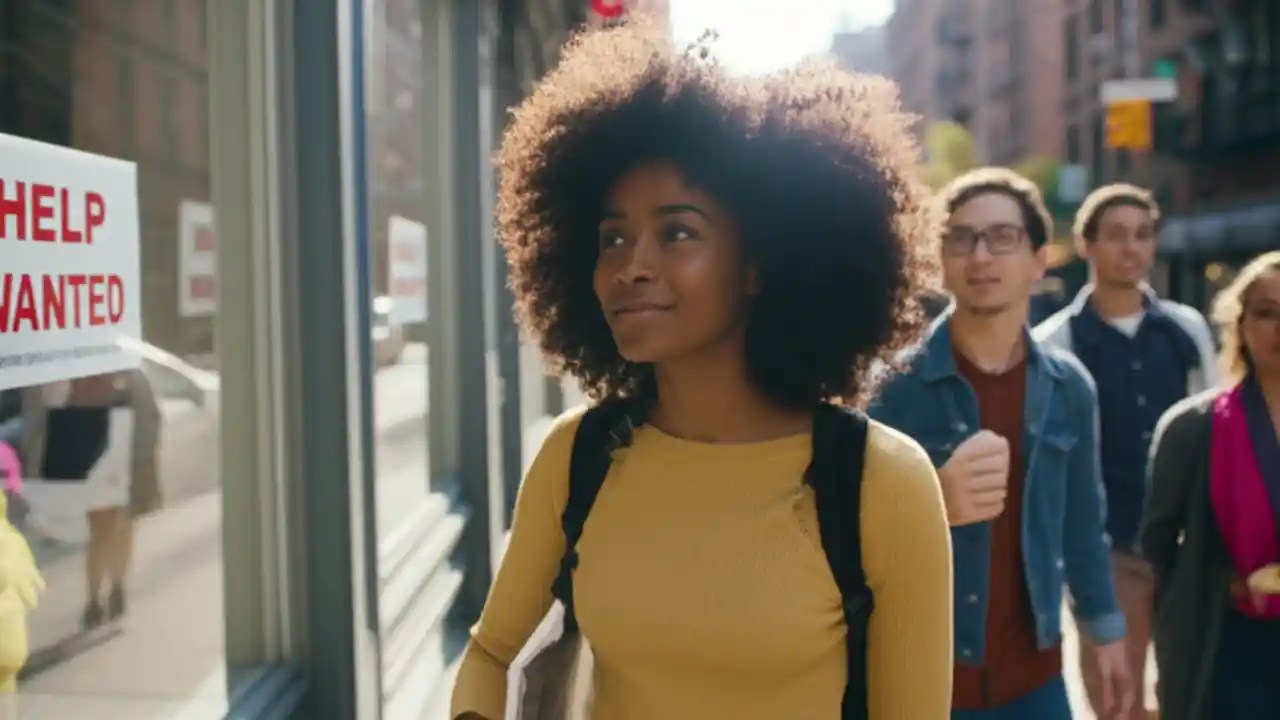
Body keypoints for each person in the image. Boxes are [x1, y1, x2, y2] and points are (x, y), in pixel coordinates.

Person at [450, 19, 953, 720]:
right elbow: (490, 653)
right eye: (612, 238)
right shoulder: (579, 456)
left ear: (759, 266)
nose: (633, 266)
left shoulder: (879, 483)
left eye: (677, 232)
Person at [870, 167, 1133, 719]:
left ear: (1039, 261)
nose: (981, 256)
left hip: (1036, 681)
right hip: (927, 682)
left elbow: (1083, 525)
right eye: (961, 239)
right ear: (941, 261)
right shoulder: (889, 390)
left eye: (1003, 237)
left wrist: (1104, 630)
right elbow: (843, 537)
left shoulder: (1070, 388)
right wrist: (933, 502)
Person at [1033, 183, 1217, 718]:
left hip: (1187, 545)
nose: (1130, 248)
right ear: (1086, 245)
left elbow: (1211, 425)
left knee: (1192, 691)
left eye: (1142, 235)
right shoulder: (1055, 342)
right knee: (1118, 701)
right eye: (1115, 235)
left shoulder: (1185, 330)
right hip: (1108, 547)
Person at [1141, 250, 1280, 719]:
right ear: (1240, 324)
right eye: (1267, 313)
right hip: (1227, 647)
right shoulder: (1192, 428)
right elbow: (1156, 551)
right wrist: (1222, 582)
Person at [21, 368, 160, 630]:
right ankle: (105, 592)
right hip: (100, 451)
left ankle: (105, 592)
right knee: (112, 528)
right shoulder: (123, 373)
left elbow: (39, 422)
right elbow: (148, 417)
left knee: (111, 529)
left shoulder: (121, 371)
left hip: (106, 450)